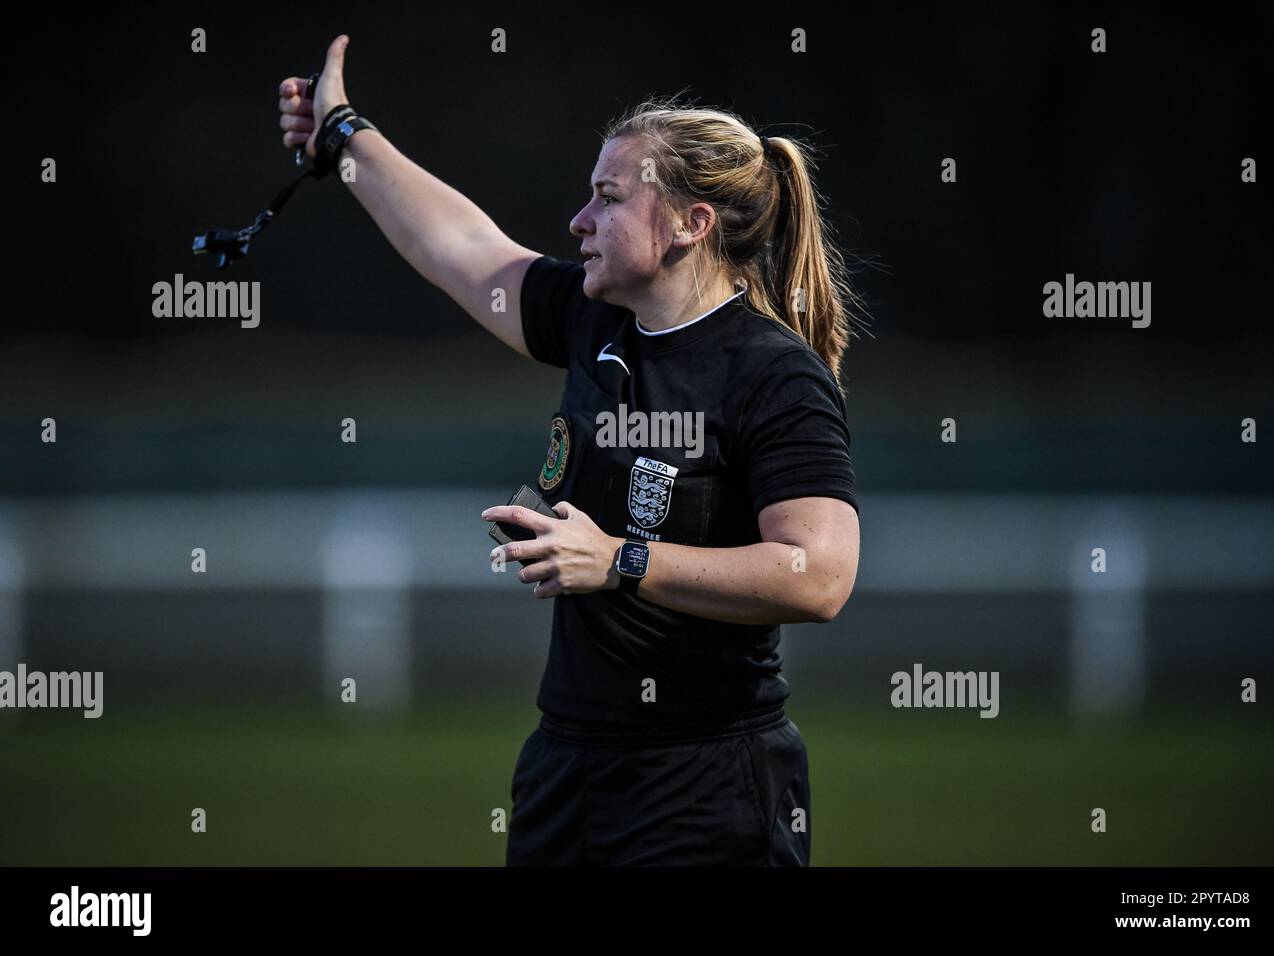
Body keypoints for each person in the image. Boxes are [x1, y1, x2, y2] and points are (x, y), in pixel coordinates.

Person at [279, 35, 863, 866]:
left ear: (691, 224)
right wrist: (342, 135)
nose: (579, 220)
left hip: (708, 786)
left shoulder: (773, 374)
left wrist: (620, 558)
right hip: (567, 772)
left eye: (608, 198)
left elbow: (821, 575)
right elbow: (461, 249)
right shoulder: (597, 321)